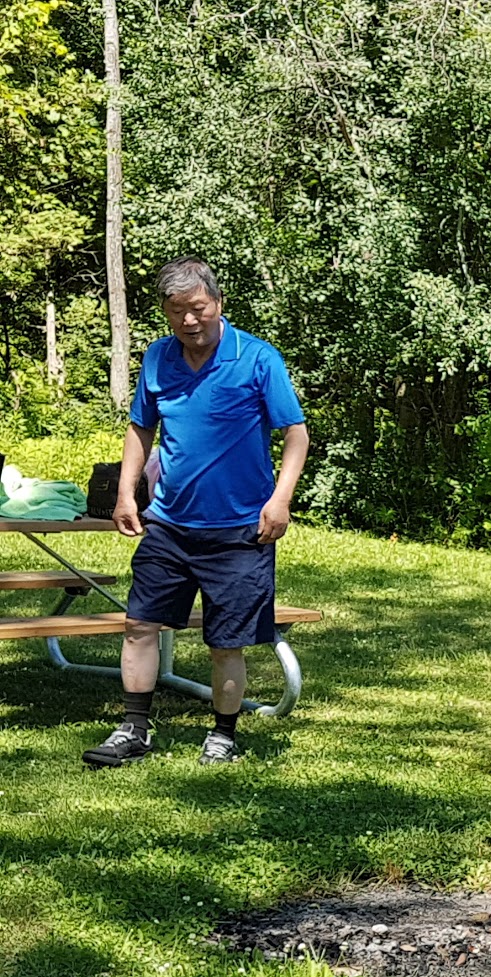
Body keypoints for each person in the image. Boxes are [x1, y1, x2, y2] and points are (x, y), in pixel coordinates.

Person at [82, 257, 309, 769]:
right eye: (177, 312)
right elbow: (141, 428)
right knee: (139, 625)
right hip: (168, 525)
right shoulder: (158, 359)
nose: (189, 321)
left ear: (217, 303)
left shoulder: (257, 358)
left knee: (226, 642)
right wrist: (125, 492)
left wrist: (281, 498)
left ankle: (223, 736)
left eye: (198, 309)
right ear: (166, 313)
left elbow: (295, 433)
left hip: (240, 530)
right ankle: (133, 729)